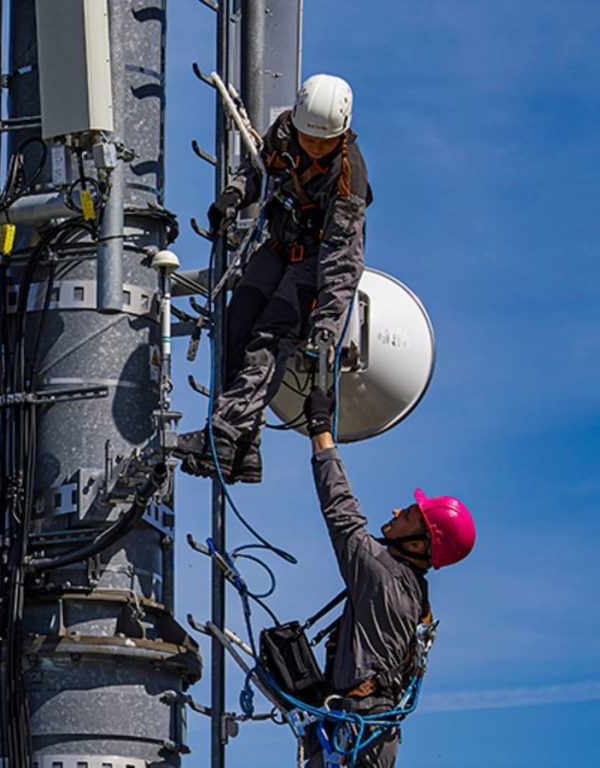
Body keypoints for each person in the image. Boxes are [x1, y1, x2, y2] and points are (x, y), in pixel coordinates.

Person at [175, 74, 372, 483]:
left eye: (324, 142)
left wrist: (325, 332)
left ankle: (225, 432)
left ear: (342, 135)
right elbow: (259, 169)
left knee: (269, 339)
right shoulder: (285, 131)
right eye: (309, 138)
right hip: (279, 246)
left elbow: (342, 263)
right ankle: (244, 448)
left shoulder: (348, 174)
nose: (314, 146)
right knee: (237, 326)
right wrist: (233, 196)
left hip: (315, 262)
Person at [299, 388, 476, 766]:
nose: (397, 510)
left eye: (409, 515)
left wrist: (321, 432)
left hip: (356, 732)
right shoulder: (415, 594)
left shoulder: (380, 573)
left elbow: (340, 511)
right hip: (366, 732)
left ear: (418, 546)